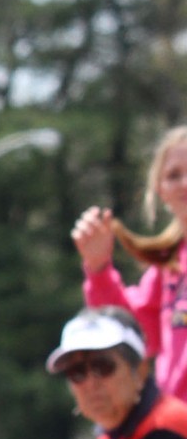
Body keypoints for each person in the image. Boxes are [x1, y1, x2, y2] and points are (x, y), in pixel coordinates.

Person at [73, 126, 187, 399]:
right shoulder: (169, 269)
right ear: (161, 191)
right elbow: (128, 333)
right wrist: (99, 267)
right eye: (174, 175)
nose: (185, 183)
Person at [48, 306, 187, 439]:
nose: (90, 383)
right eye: (77, 372)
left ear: (140, 370)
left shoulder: (162, 434)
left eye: (103, 366)